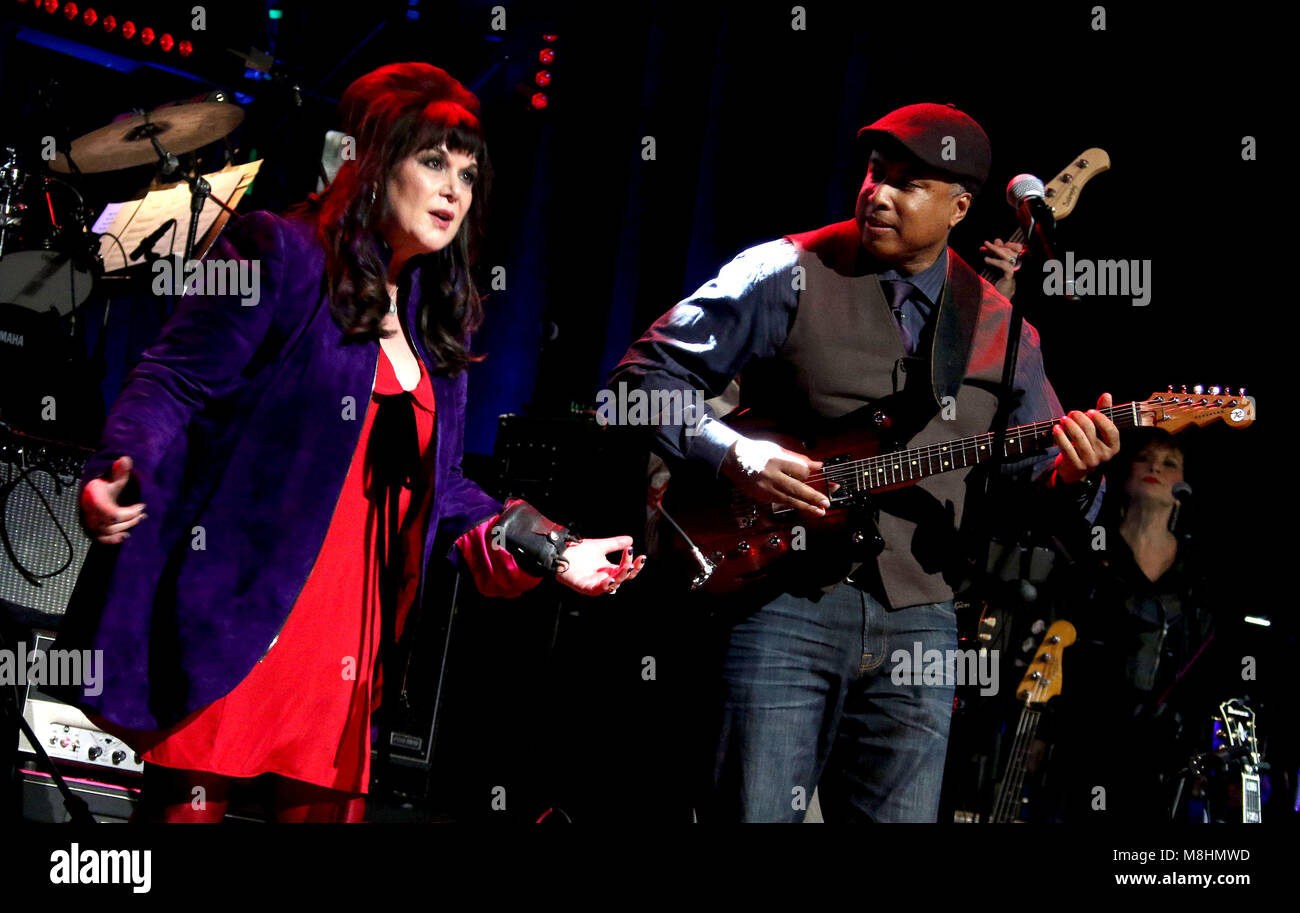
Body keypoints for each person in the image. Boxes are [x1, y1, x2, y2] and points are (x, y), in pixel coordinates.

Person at [53, 63, 644, 823]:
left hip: (350, 645)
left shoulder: (440, 325)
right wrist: (119, 466)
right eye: (431, 161)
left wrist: (553, 546)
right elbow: (173, 380)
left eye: (467, 173)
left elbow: (446, 487)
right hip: (245, 611)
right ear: (368, 162)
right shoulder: (279, 252)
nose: (453, 189)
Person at [609, 103, 1118, 822]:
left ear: (960, 209)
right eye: (876, 173)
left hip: (922, 619)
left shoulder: (1006, 332)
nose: (877, 193)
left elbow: (1019, 490)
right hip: (779, 601)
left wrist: (1072, 476)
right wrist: (734, 453)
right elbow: (636, 385)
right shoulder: (784, 269)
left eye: (908, 183)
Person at [1034, 429, 1216, 821]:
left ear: (1183, 486)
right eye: (1146, 458)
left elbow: (1202, 677)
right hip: (1078, 741)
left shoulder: (1196, 578)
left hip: (1158, 756)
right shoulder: (1088, 550)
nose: (1155, 466)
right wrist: (1038, 733)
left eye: (1170, 464)